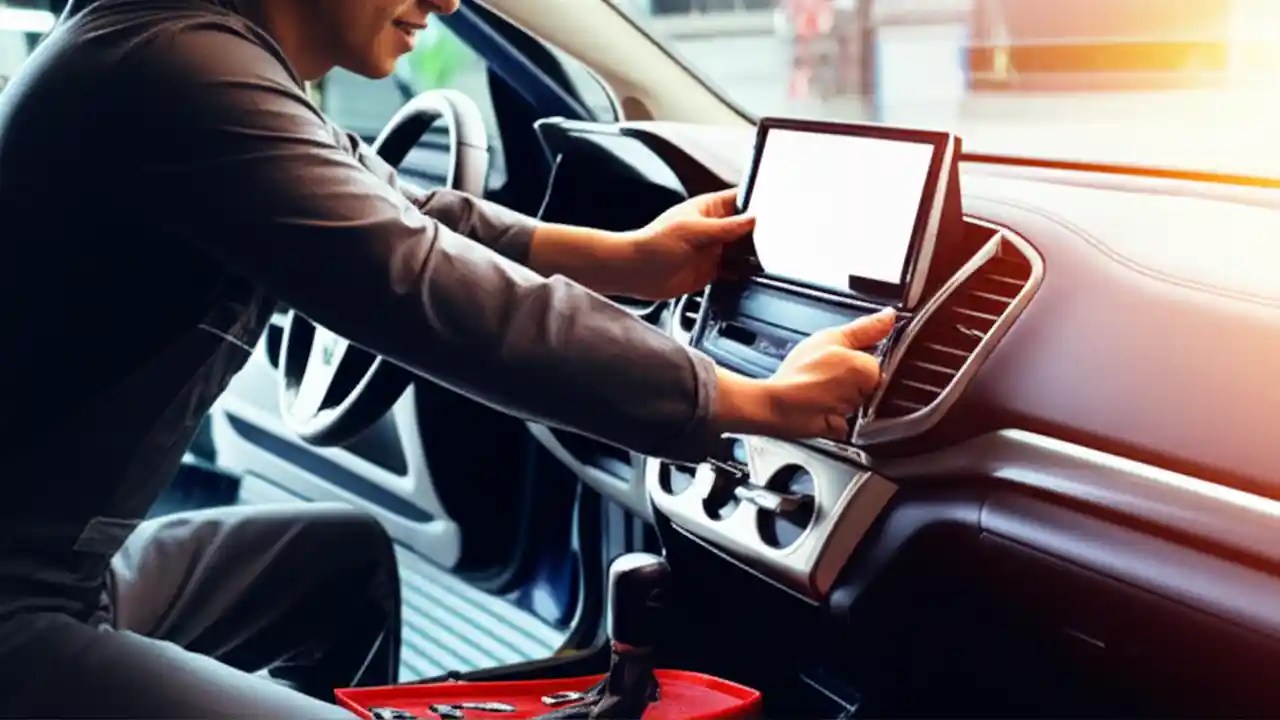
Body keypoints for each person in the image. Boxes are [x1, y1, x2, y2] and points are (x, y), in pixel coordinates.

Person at [0, 0, 894, 716]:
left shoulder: (176, 46)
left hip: (67, 579)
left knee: (338, 562)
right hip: (18, 612)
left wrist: (630, 260)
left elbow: (399, 211)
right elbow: (423, 286)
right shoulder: (175, 67)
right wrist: (748, 401)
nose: (446, 0)